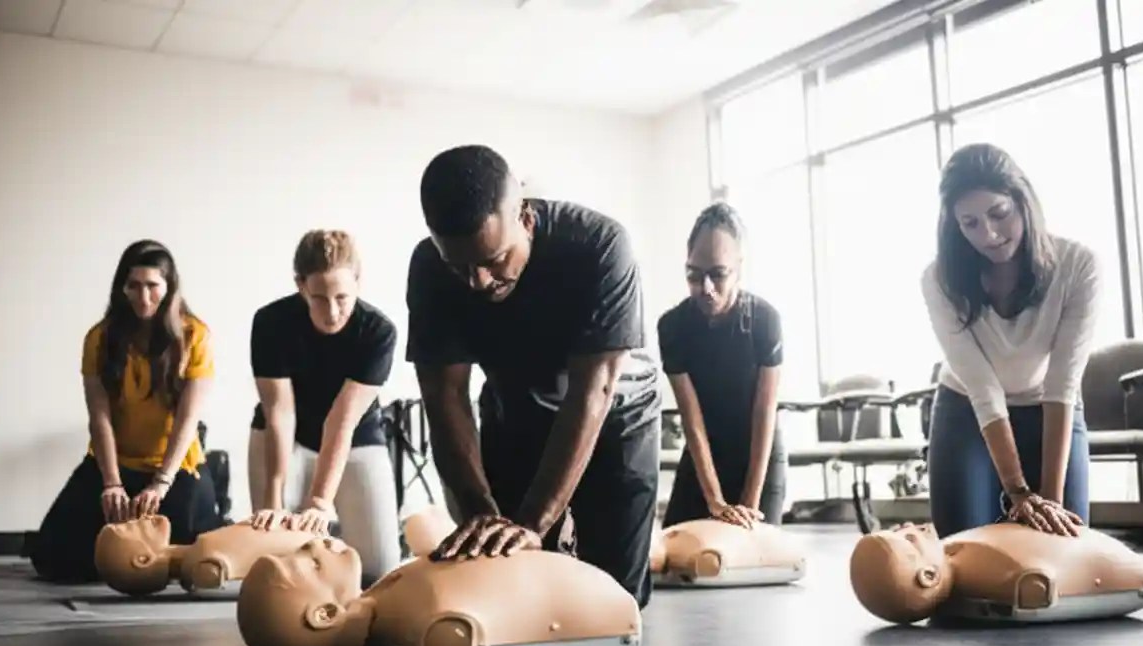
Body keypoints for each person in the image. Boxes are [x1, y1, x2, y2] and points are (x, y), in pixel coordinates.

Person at [405, 144, 662, 608]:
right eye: (458, 266)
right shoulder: (428, 269)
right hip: (516, 405)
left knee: (612, 601)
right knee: (501, 574)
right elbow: (444, 401)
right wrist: (483, 520)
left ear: (524, 218)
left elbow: (593, 392)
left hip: (614, 413)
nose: (478, 282)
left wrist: (532, 523)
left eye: (494, 260)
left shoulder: (600, 246)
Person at [920, 143, 1098, 539]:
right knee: (967, 546)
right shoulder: (939, 280)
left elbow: (1062, 383)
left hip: (1048, 405)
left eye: (999, 214)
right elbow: (984, 391)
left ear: (1023, 202)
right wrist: (1017, 491)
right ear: (955, 226)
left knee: (1065, 540)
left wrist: (1049, 503)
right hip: (968, 409)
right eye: (970, 224)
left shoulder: (1079, 265)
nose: (990, 234)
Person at [31, 240, 222, 582]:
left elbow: (187, 418)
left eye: (152, 286)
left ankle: (216, 482)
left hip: (173, 469)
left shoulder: (196, 335)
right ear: (121, 287)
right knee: (51, 558)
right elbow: (99, 417)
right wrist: (111, 484)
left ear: (169, 287)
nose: (143, 296)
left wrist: (161, 484)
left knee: (190, 561)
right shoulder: (99, 338)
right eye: (133, 285)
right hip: (116, 464)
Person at [247, 229, 401, 583]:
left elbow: (342, 421)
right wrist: (273, 501)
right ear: (301, 285)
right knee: (280, 563)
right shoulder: (270, 323)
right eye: (319, 298)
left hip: (355, 438)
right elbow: (280, 413)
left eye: (342, 297)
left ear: (358, 283)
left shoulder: (378, 333)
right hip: (290, 438)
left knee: (378, 569)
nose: (332, 312)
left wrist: (320, 501)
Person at [657, 202, 786, 530]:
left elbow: (764, 412)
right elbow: (692, 420)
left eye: (718, 274)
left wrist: (749, 504)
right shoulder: (672, 327)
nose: (706, 288)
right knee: (674, 556)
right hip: (704, 454)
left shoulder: (765, 320)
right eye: (694, 275)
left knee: (749, 552)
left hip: (759, 454)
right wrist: (714, 500)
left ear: (739, 269)